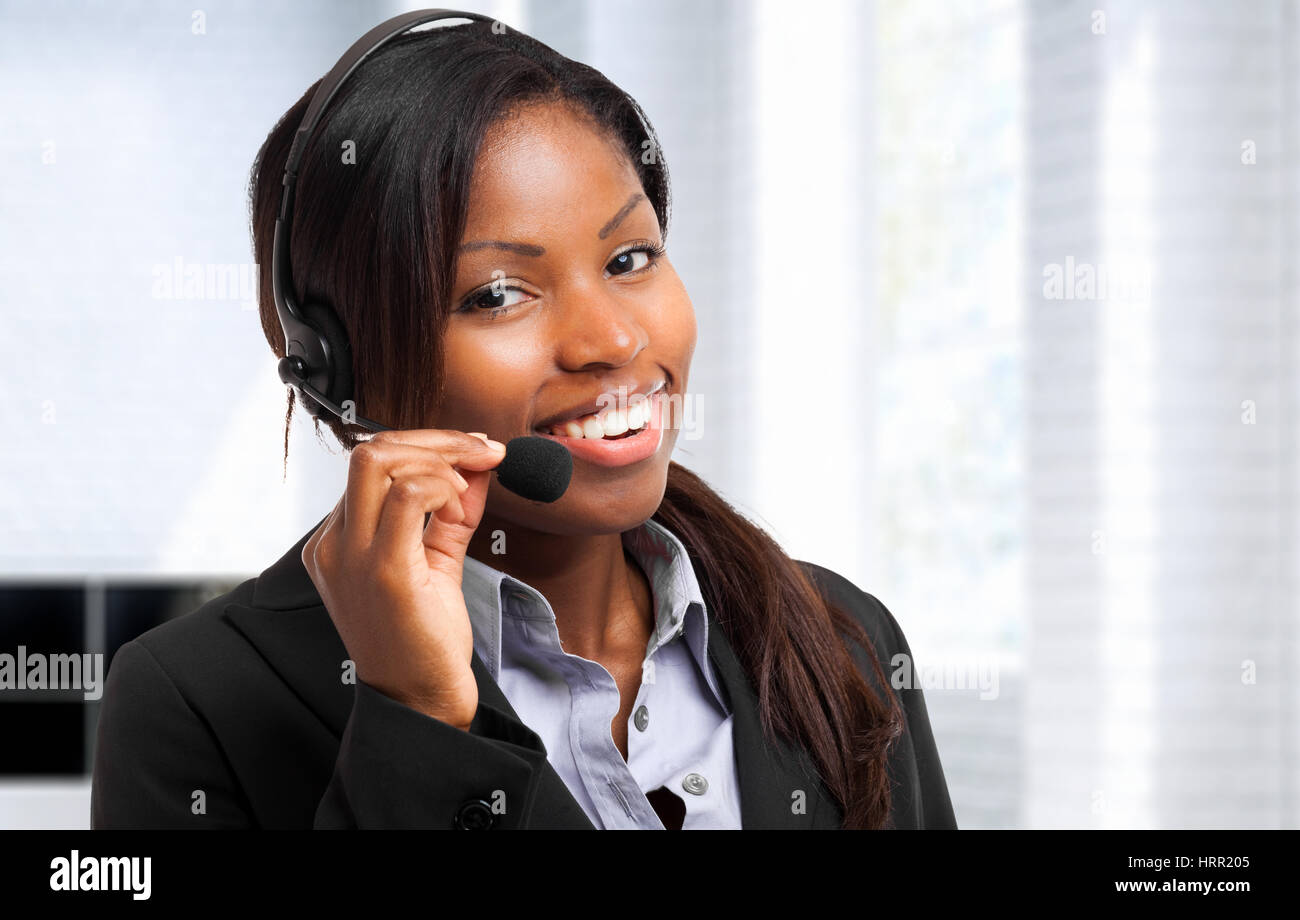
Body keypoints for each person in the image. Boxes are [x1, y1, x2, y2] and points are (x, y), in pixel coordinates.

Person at [91, 16, 956, 830]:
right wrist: (418, 722)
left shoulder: (843, 636)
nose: (614, 337)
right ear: (340, 367)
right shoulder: (198, 700)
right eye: (499, 294)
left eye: (630, 258)